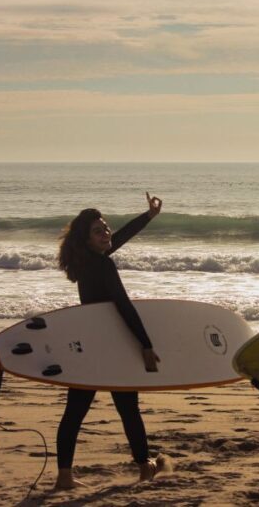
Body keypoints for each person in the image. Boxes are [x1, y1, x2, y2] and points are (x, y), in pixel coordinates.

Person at [55, 192, 167, 489]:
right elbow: (123, 305)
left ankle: (64, 477)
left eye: (106, 227)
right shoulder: (103, 265)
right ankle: (144, 467)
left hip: (89, 345)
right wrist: (145, 344)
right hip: (111, 346)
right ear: (86, 239)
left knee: (74, 413)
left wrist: (148, 216)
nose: (106, 233)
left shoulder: (85, 261)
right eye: (98, 231)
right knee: (128, 408)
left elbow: (119, 238)